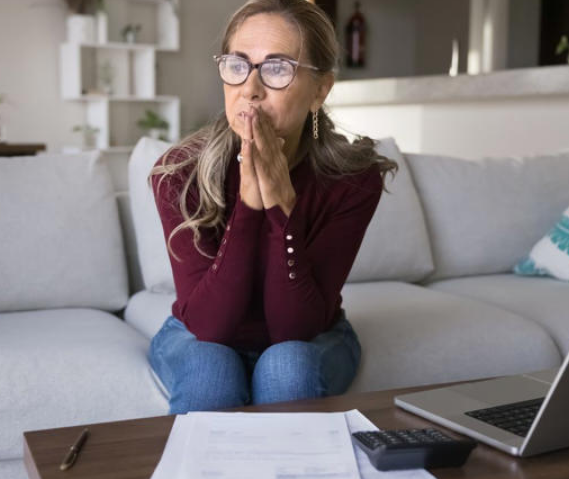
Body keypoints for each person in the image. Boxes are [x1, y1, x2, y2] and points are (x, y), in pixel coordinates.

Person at [148, 0, 398, 414]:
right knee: (211, 368)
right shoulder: (178, 173)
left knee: (287, 365)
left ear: (320, 90)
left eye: (278, 68)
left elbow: (293, 329)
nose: (250, 88)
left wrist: (282, 210)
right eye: (237, 65)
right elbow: (210, 327)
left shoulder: (354, 178)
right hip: (197, 333)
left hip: (313, 335)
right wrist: (249, 206)